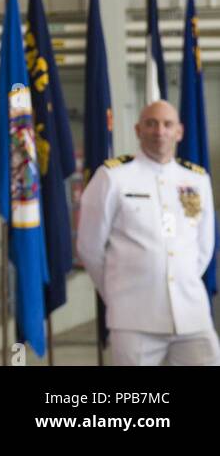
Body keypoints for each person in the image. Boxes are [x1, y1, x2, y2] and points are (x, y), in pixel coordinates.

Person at [76, 100, 219, 365]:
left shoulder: (197, 180)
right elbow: (89, 246)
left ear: (180, 131)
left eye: (167, 124)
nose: (159, 131)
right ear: (137, 129)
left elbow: (204, 246)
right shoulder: (112, 177)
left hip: (191, 314)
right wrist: (118, 291)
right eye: (151, 123)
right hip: (134, 316)